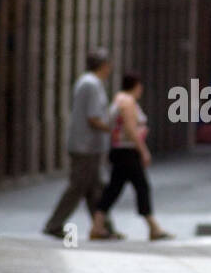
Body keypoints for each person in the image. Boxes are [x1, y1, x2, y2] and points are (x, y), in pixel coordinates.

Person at [42, 48, 122, 242]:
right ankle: (54, 224)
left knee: (95, 189)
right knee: (78, 186)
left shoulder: (90, 83)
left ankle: (102, 227)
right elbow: (93, 118)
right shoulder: (91, 84)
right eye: (109, 64)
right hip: (85, 146)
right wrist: (112, 129)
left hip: (90, 146)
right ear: (103, 65)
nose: (110, 68)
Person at [96, 73, 173, 241]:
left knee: (114, 189)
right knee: (141, 187)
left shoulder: (118, 99)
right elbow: (130, 129)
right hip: (128, 151)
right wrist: (143, 150)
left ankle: (97, 225)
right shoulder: (128, 102)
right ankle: (153, 227)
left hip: (120, 150)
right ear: (136, 86)